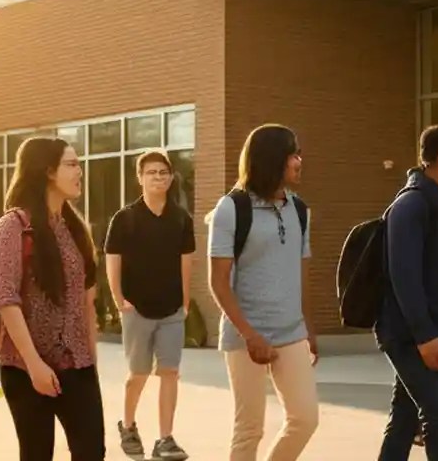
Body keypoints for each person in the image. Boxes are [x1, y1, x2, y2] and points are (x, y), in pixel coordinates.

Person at [208, 124, 319, 461]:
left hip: (291, 332)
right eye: (293, 153)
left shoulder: (299, 209)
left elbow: (301, 272)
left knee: (305, 419)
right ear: (274, 159)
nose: (300, 160)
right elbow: (218, 281)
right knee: (249, 429)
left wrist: (309, 328)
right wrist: (249, 333)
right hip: (245, 335)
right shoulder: (232, 208)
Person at [0, 137, 104, 461]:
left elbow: (86, 304)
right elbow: (6, 300)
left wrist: (91, 363)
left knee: (91, 452)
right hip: (25, 368)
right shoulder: (13, 226)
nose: (79, 171)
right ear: (47, 171)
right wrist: (34, 365)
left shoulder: (74, 228)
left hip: (77, 365)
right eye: (71, 164)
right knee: (37, 454)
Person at [376, 125, 438, 461]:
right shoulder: (411, 206)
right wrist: (425, 335)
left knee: (404, 419)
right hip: (411, 336)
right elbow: (404, 277)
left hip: (437, 333)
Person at [106, 149, 194, 460]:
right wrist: (119, 299)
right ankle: (128, 426)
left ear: (171, 178)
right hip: (136, 309)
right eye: (151, 172)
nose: (158, 177)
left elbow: (187, 262)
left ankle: (165, 439)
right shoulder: (125, 217)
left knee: (170, 372)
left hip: (171, 310)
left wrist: (185, 302)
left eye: (163, 172)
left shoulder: (181, 218)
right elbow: (112, 260)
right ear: (140, 178)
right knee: (139, 373)